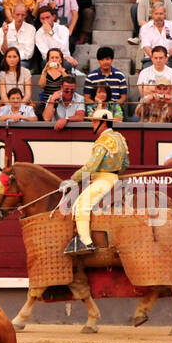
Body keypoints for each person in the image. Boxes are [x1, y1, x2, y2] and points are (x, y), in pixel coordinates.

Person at [65, 109, 129, 256]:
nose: (92, 125)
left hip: (103, 180)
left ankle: (86, 242)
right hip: (113, 179)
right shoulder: (120, 138)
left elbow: (92, 166)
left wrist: (74, 178)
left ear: (104, 122)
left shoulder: (104, 140)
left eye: (94, 121)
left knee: (82, 205)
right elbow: (125, 163)